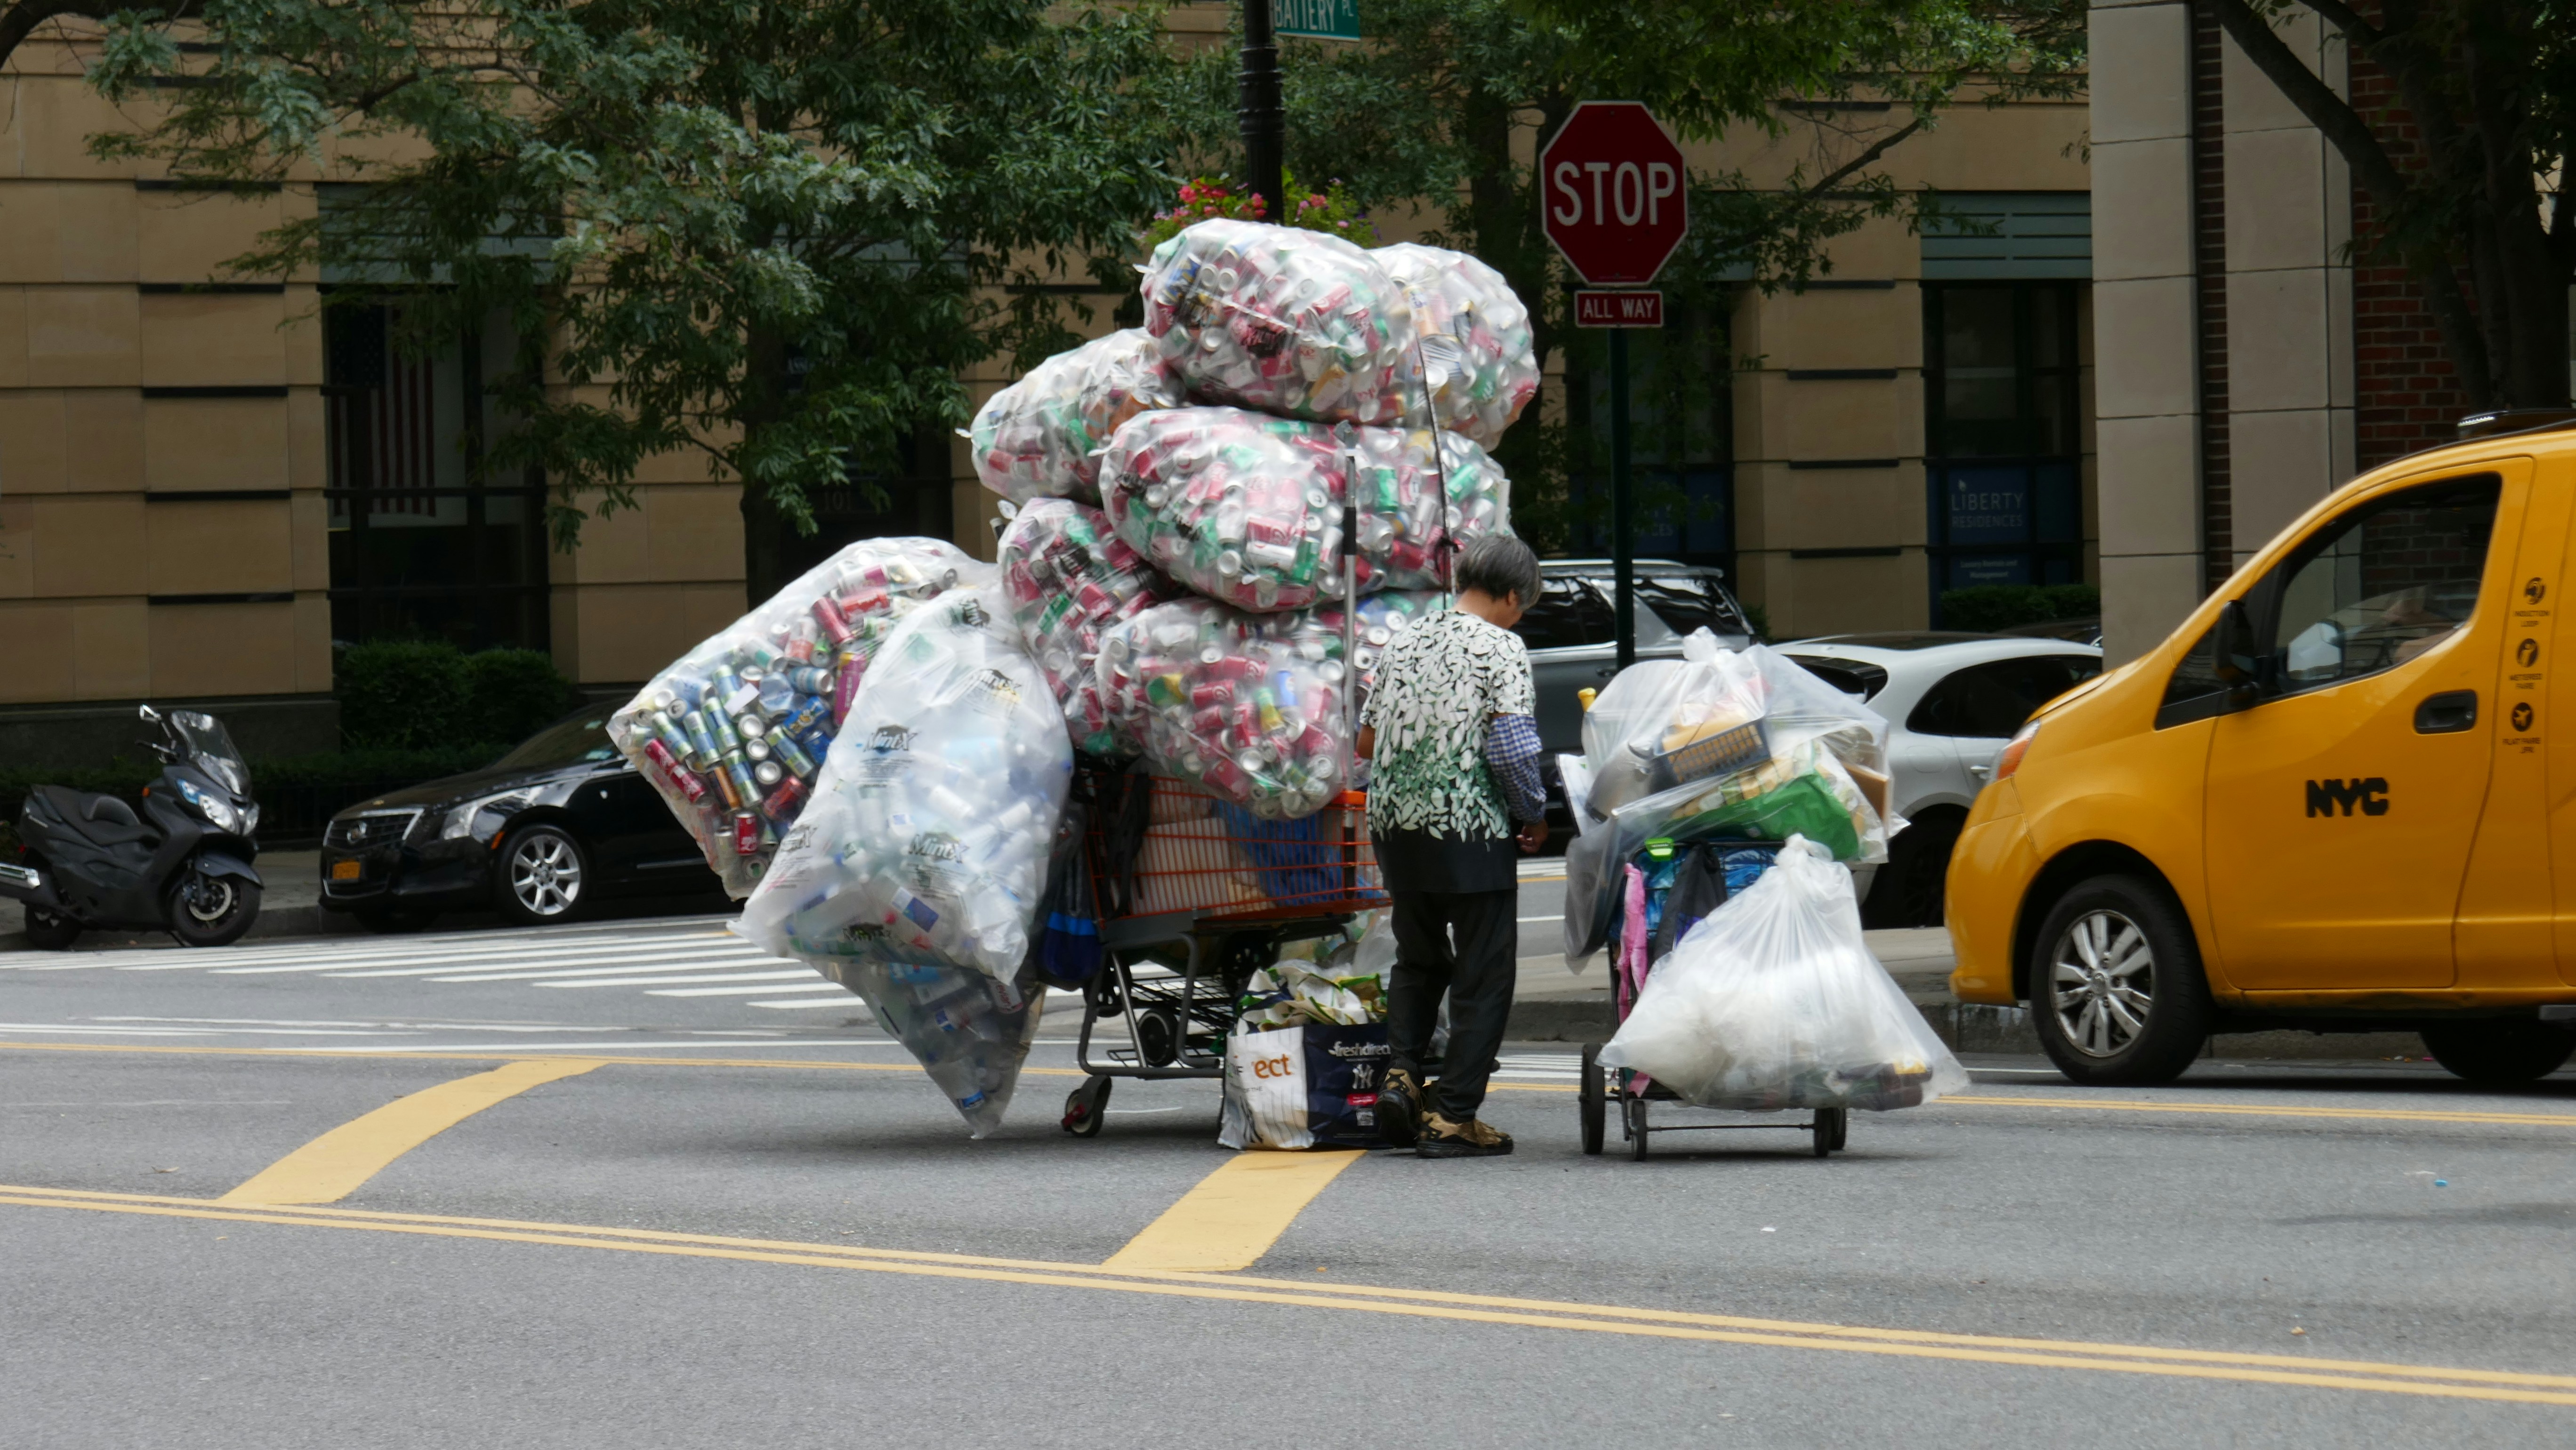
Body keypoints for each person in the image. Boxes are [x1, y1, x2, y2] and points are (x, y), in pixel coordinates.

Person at [1353, 534, 1549, 1158]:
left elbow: (1365, 742)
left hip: (1395, 828)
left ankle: (1403, 1074)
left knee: (1419, 959)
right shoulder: (1503, 646)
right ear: (1513, 595)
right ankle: (1452, 1116)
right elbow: (1513, 748)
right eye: (1524, 605)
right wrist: (1534, 815)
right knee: (1485, 974)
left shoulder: (1404, 638)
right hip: (1468, 828)